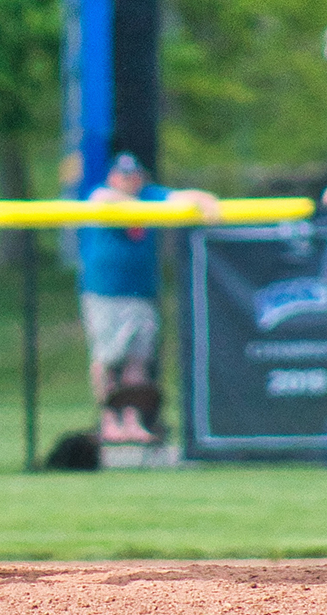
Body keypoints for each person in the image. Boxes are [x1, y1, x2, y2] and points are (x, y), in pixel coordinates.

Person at [78, 153, 222, 444]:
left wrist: (206, 199)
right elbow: (101, 199)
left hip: (141, 292)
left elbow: (183, 196)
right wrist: (146, 205)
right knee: (107, 359)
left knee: (137, 361)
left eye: (133, 176)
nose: (128, 181)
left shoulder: (150, 196)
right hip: (106, 292)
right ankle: (109, 422)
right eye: (122, 176)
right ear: (113, 177)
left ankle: (132, 421)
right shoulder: (105, 195)